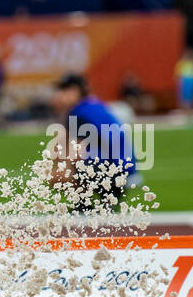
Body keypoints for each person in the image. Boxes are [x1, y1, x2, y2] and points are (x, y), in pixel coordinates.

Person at [46, 72, 134, 209]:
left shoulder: (79, 113)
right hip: (123, 169)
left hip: (112, 172)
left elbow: (73, 153)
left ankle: (83, 205)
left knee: (57, 174)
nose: (59, 95)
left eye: (64, 90)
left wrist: (59, 167)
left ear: (76, 91)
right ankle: (98, 204)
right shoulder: (93, 106)